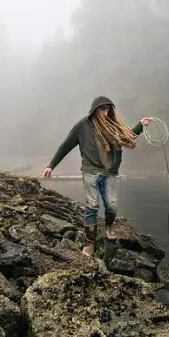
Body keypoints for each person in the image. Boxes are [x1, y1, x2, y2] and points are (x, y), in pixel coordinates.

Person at [43, 96, 151, 257]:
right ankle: (90, 244)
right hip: (90, 171)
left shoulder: (112, 126)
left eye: (107, 109)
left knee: (111, 206)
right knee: (92, 206)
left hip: (109, 172)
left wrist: (140, 126)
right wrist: (51, 165)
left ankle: (109, 226)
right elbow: (66, 145)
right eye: (102, 109)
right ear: (94, 110)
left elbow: (127, 137)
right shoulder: (82, 125)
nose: (105, 112)